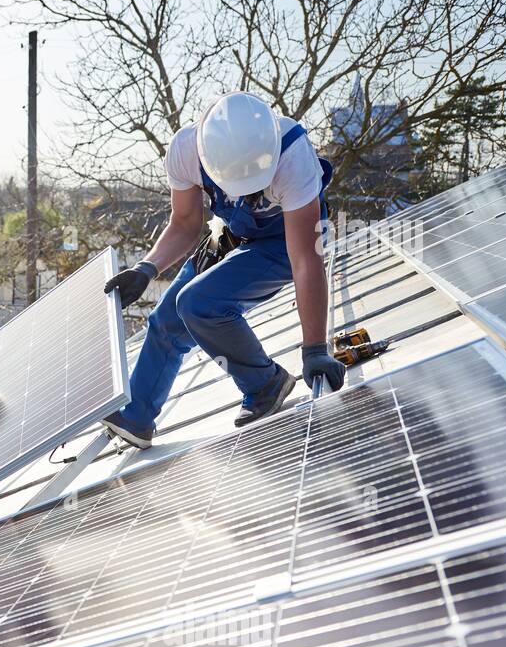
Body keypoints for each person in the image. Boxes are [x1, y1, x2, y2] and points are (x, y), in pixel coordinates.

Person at [101, 91, 346, 449]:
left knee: (199, 303)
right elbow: (185, 223)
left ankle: (265, 384)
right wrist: (147, 267)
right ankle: (136, 417)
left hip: (285, 240)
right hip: (232, 232)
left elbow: (305, 258)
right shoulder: (186, 151)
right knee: (167, 316)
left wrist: (314, 349)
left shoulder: (292, 154)